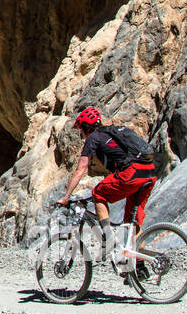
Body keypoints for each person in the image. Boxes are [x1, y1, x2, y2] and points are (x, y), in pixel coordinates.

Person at [54, 107, 157, 271]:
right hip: (149, 172)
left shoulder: (93, 138)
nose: (82, 134)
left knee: (98, 193)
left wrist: (66, 197)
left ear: (86, 128)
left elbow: (81, 169)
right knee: (132, 223)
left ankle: (108, 238)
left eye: (81, 130)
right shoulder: (114, 132)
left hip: (131, 173)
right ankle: (140, 267)